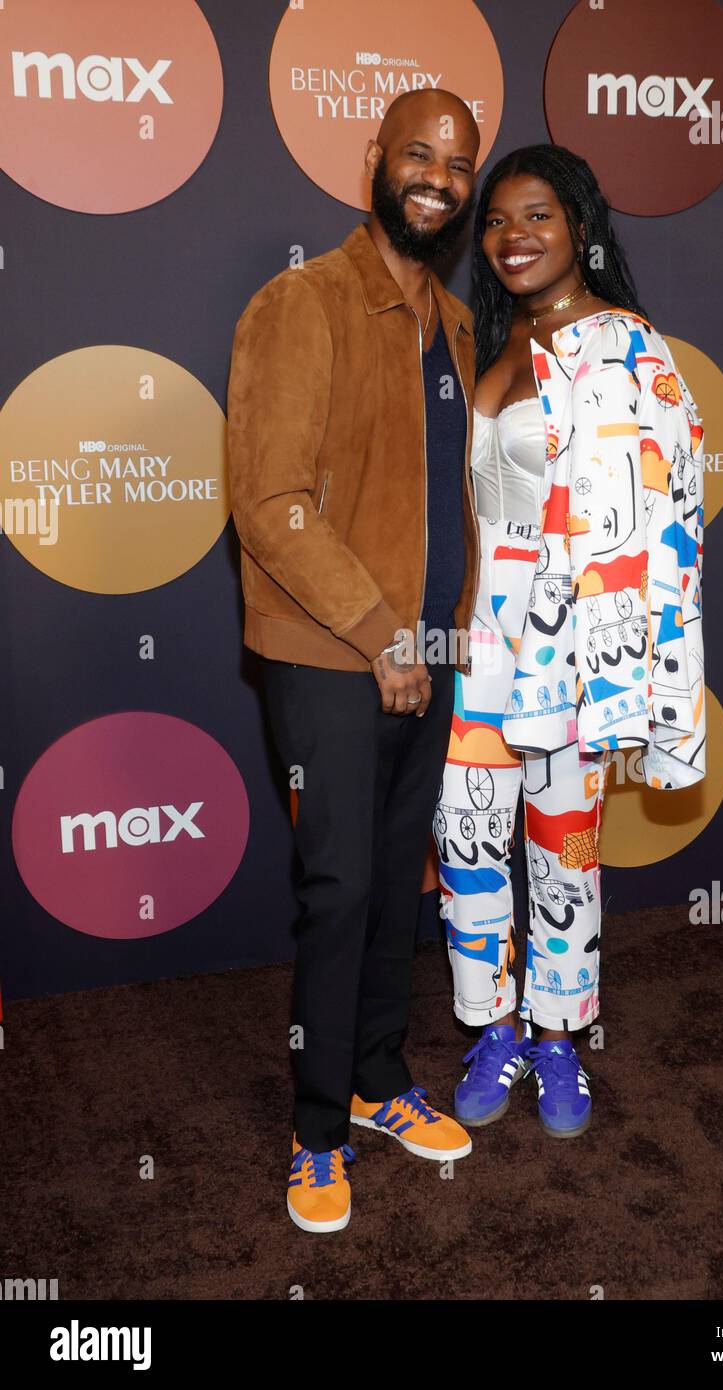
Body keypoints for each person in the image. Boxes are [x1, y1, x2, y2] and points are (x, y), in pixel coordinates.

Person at [227, 89, 482, 1232]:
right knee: (336, 890)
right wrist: (380, 632)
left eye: (457, 164)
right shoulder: (303, 301)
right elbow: (269, 501)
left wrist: (446, 634)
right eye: (416, 154)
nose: (436, 176)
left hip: (429, 657)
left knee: (392, 880)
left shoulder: (460, 322)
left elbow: (455, 502)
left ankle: (380, 1080)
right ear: (372, 160)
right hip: (333, 649)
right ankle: (315, 1126)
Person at [434, 144, 706, 1139]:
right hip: (477, 638)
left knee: (561, 850)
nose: (512, 237)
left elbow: (670, 520)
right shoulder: (481, 346)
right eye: (496, 221)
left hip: (571, 652)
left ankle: (556, 1036)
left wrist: (633, 675)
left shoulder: (629, 346)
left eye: (536, 216)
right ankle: (490, 1024)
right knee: (467, 840)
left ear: (579, 227)